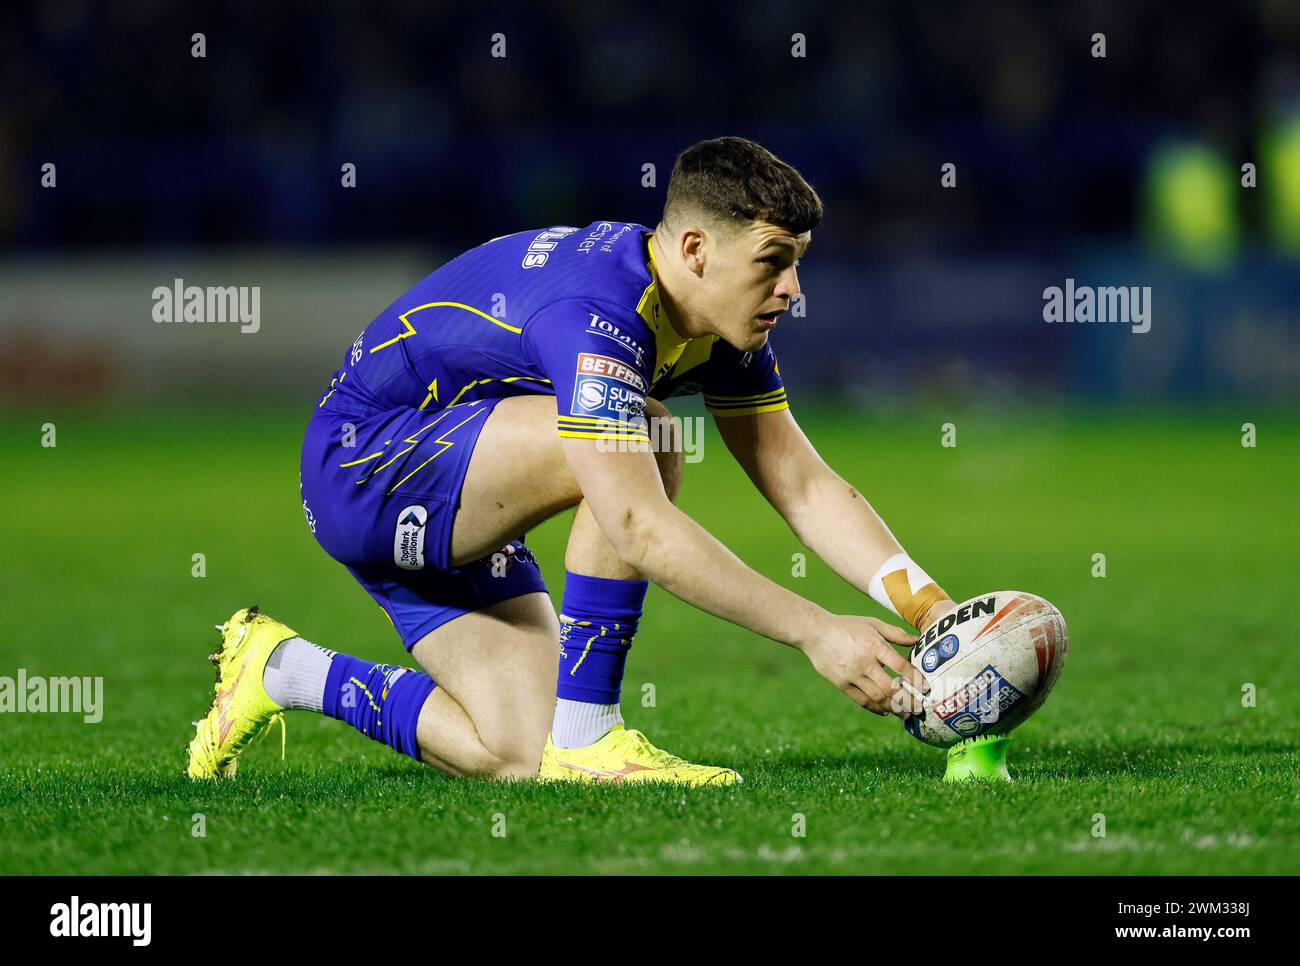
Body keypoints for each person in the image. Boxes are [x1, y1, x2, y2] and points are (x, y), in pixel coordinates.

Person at [186, 136, 1009, 786]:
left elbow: (802, 484)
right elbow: (634, 524)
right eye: (772, 261)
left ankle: (285, 668)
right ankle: (592, 738)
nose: (792, 288)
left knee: (511, 752)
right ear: (693, 248)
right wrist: (815, 632)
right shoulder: (599, 312)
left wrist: (933, 609)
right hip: (364, 466)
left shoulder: (722, 323)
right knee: (644, 435)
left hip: (453, 478)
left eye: (796, 263)